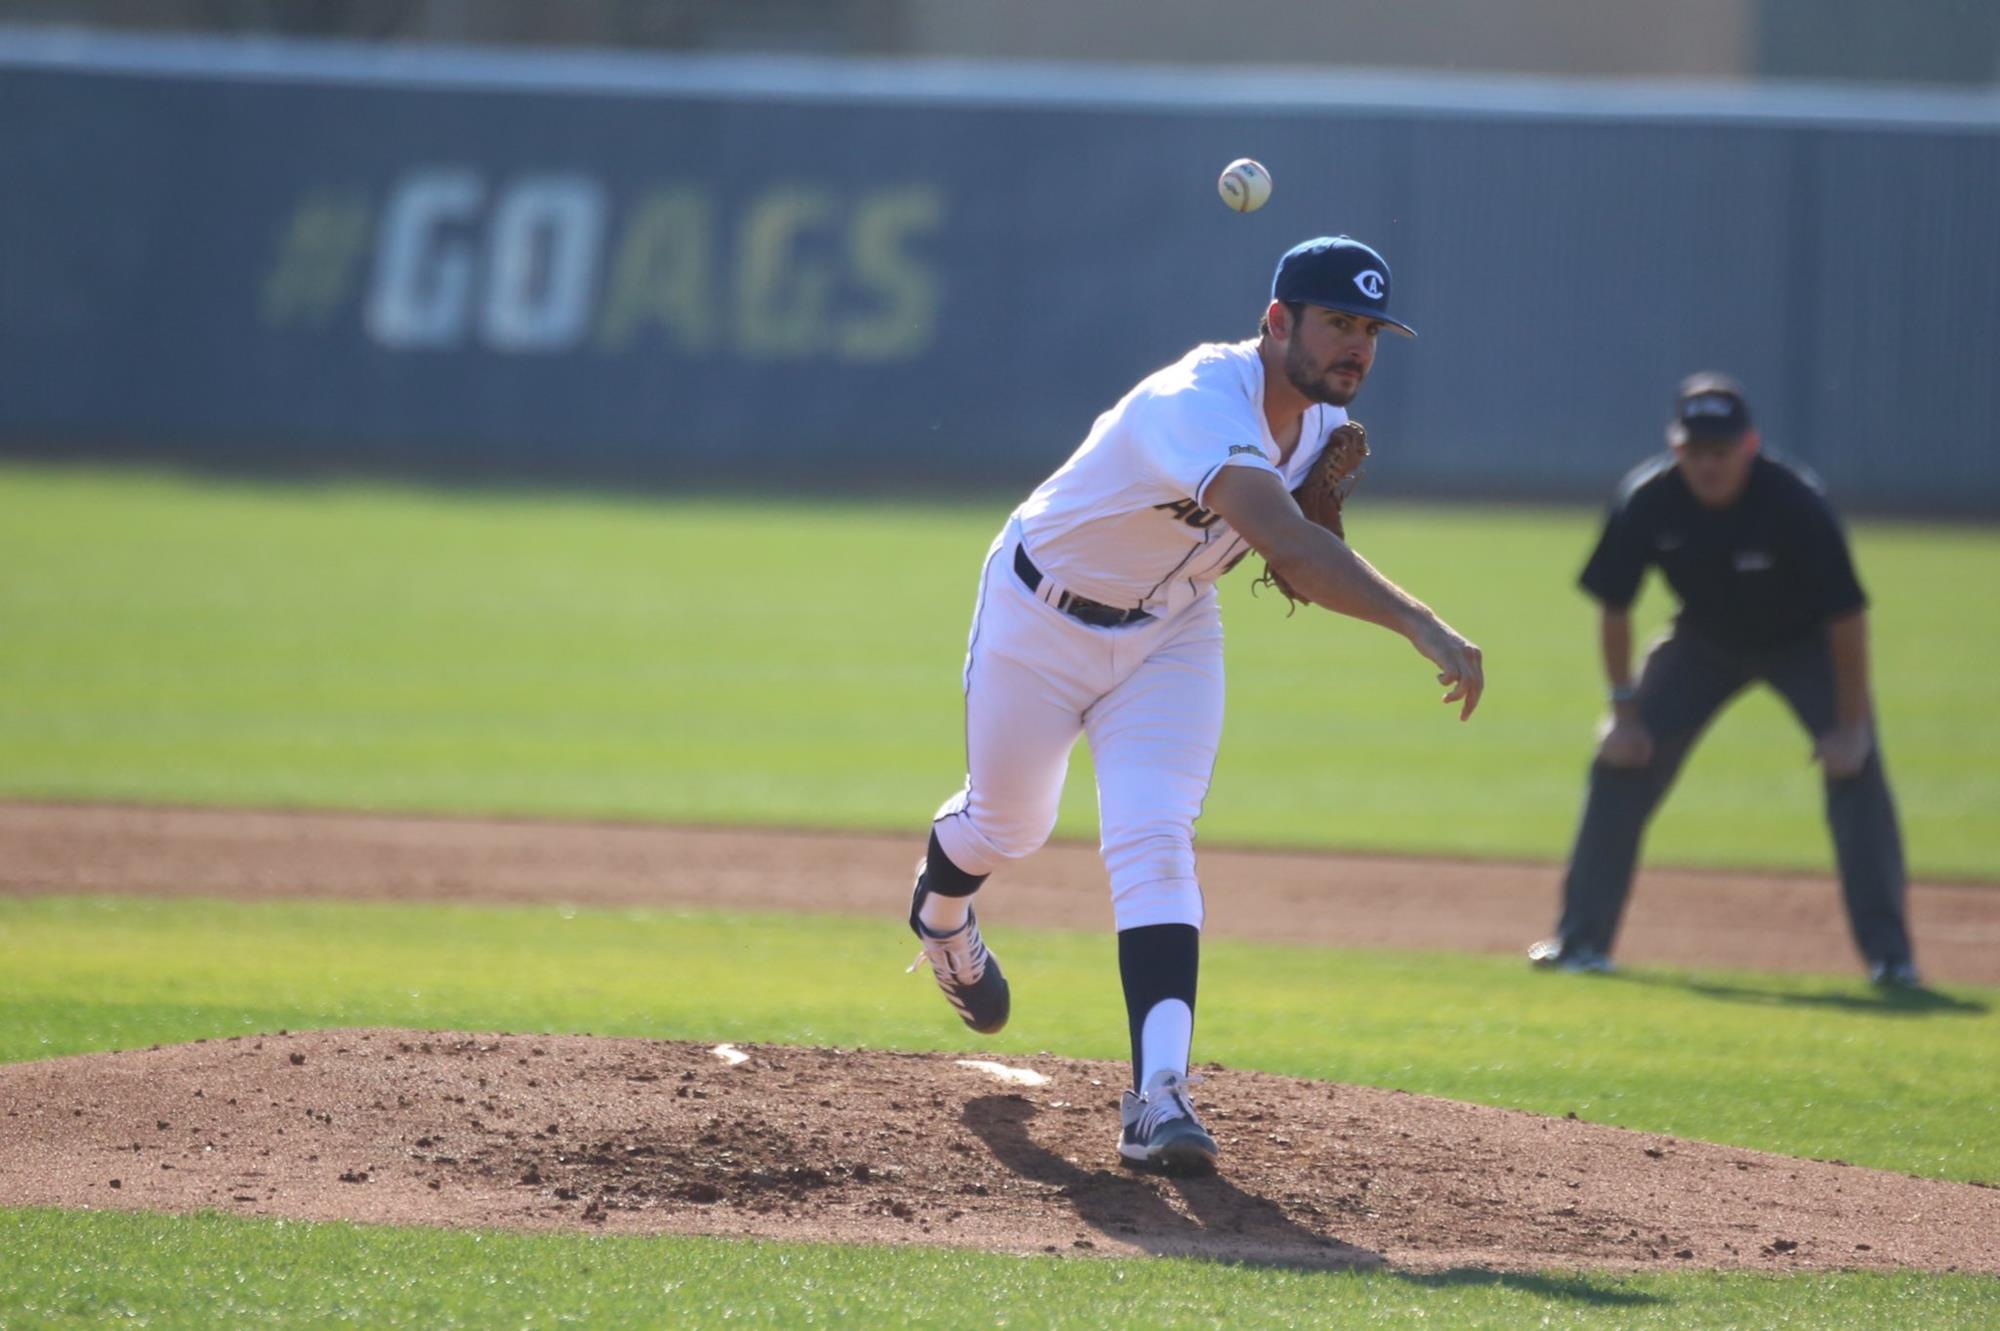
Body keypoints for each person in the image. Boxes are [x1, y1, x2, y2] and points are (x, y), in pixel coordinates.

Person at [904, 236, 1486, 1175]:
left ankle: (1160, 1094)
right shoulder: (1197, 400)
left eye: (1372, 330)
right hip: (1038, 617)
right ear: (1277, 321)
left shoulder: (1322, 423)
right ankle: (939, 916)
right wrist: (1418, 620)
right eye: (1338, 321)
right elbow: (1290, 548)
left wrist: (1307, 527)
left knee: (1154, 835)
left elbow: (1293, 533)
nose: (1357, 346)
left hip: (1170, 629)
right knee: (1010, 826)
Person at [1529, 373, 1920, 987]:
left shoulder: (1795, 502)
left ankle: (1891, 958)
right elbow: (1614, 606)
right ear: (1675, 446)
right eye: (1696, 450)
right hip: (1702, 642)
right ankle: (1581, 941)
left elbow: (1847, 617)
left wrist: (1850, 726)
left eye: (1721, 449)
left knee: (1857, 767)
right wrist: (1623, 713)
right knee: (1621, 758)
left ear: (1749, 445)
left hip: (1805, 644)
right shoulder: (1648, 498)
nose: (1708, 464)